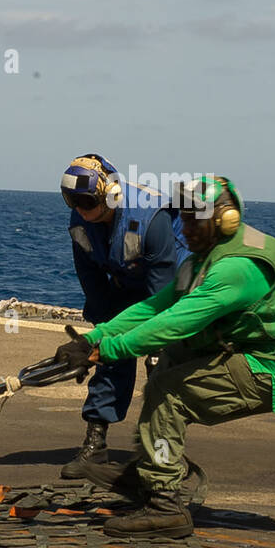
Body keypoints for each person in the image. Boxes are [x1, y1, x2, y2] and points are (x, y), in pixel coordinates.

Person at [55, 176, 275, 538]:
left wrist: (105, 351)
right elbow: (155, 307)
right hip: (255, 350)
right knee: (169, 367)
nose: (184, 228)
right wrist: (93, 337)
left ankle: (165, 506)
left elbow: (175, 323)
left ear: (224, 220)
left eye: (193, 220)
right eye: (183, 219)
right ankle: (152, 472)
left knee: (170, 393)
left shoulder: (236, 268)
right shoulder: (201, 261)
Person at [59, 154, 188, 478]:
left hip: (172, 286)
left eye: (86, 200)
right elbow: (91, 278)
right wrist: (101, 335)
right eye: (71, 201)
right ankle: (96, 445)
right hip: (127, 282)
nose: (80, 209)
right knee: (108, 353)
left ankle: (163, 452)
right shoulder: (81, 224)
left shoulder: (151, 219)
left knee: (163, 364)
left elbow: (163, 298)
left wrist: (153, 342)